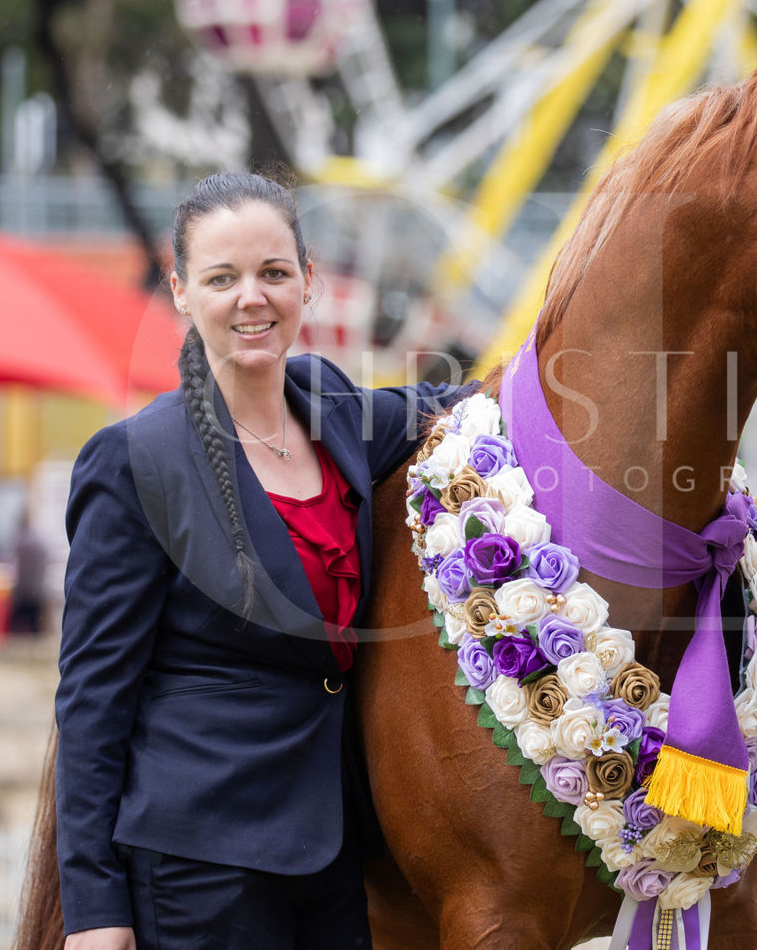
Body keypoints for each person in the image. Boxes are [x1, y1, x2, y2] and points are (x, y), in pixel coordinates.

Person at [56, 173, 459, 949]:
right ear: (179, 290)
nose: (253, 298)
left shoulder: (338, 410)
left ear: (308, 281)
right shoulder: (135, 460)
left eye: (274, 273)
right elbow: (91, 702)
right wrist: (94, 908)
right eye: (222, 277)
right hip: (198, 863)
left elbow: (474, 402)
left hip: (338, 855)